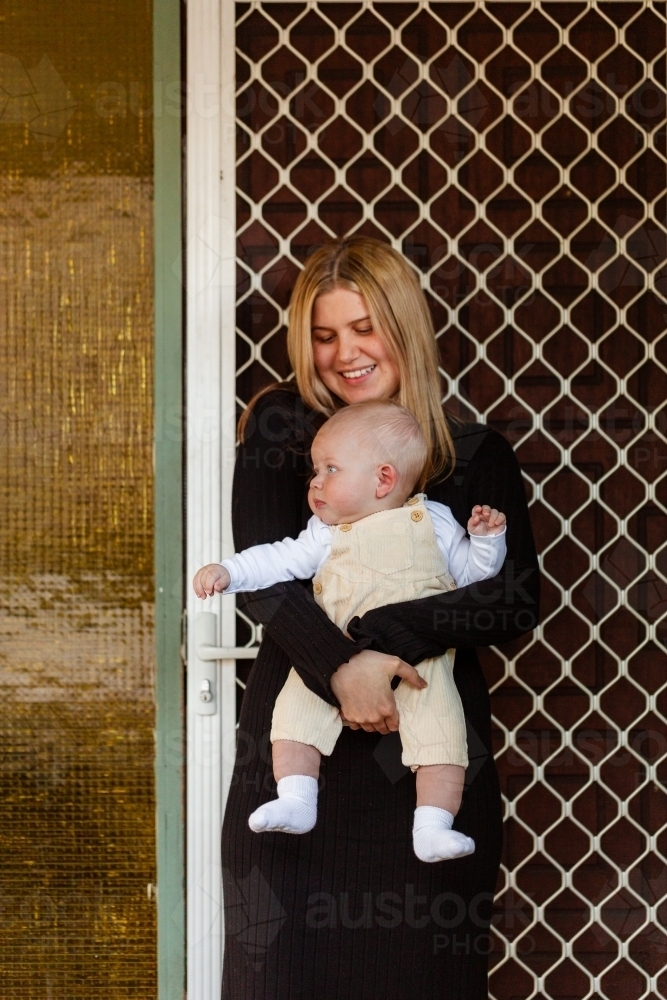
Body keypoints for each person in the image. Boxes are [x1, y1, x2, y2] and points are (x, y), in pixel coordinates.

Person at [221, 237, 539, 999]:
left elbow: (509, 597)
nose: (344, 354)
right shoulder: (282, 431)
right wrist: (341, 670)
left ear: (403, 326)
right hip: (297, 769)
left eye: (364, 328)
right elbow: (268, 581)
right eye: (324, 336)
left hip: (428, 775)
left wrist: (377, 646)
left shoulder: (471, 453)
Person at [195, 401, 507, 865]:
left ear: (383, 479)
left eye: (330, 469)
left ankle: (433, 826)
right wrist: (229, 571)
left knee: (443, 737)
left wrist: (486, 542)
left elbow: (472, 577)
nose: (315, 482)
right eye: (315, 471)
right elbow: (276, 560)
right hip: (333, 657)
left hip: (421, 667)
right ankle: (297, 799)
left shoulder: (435, 521)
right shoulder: (325, 533)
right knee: (294, 719)